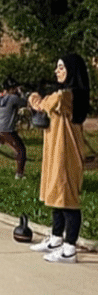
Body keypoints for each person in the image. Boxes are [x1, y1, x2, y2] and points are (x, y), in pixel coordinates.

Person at [27, 54, 90, 263]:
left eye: (61, 67)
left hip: (67, 155)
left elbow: (44, 104)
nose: (57, 71)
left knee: (68, 199)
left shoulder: (67, 96)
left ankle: (69, 247)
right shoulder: (67, 95)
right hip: (57, 152)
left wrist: (34, 98)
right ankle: (56, 238)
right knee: (57, 195)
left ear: (72, 71)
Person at [0, 77, 28, 179]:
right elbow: (24, 102)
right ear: (12, 88)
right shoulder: (13, 98)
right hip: (6, 129)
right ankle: (19, 174)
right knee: (21, 150)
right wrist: (21, 93)